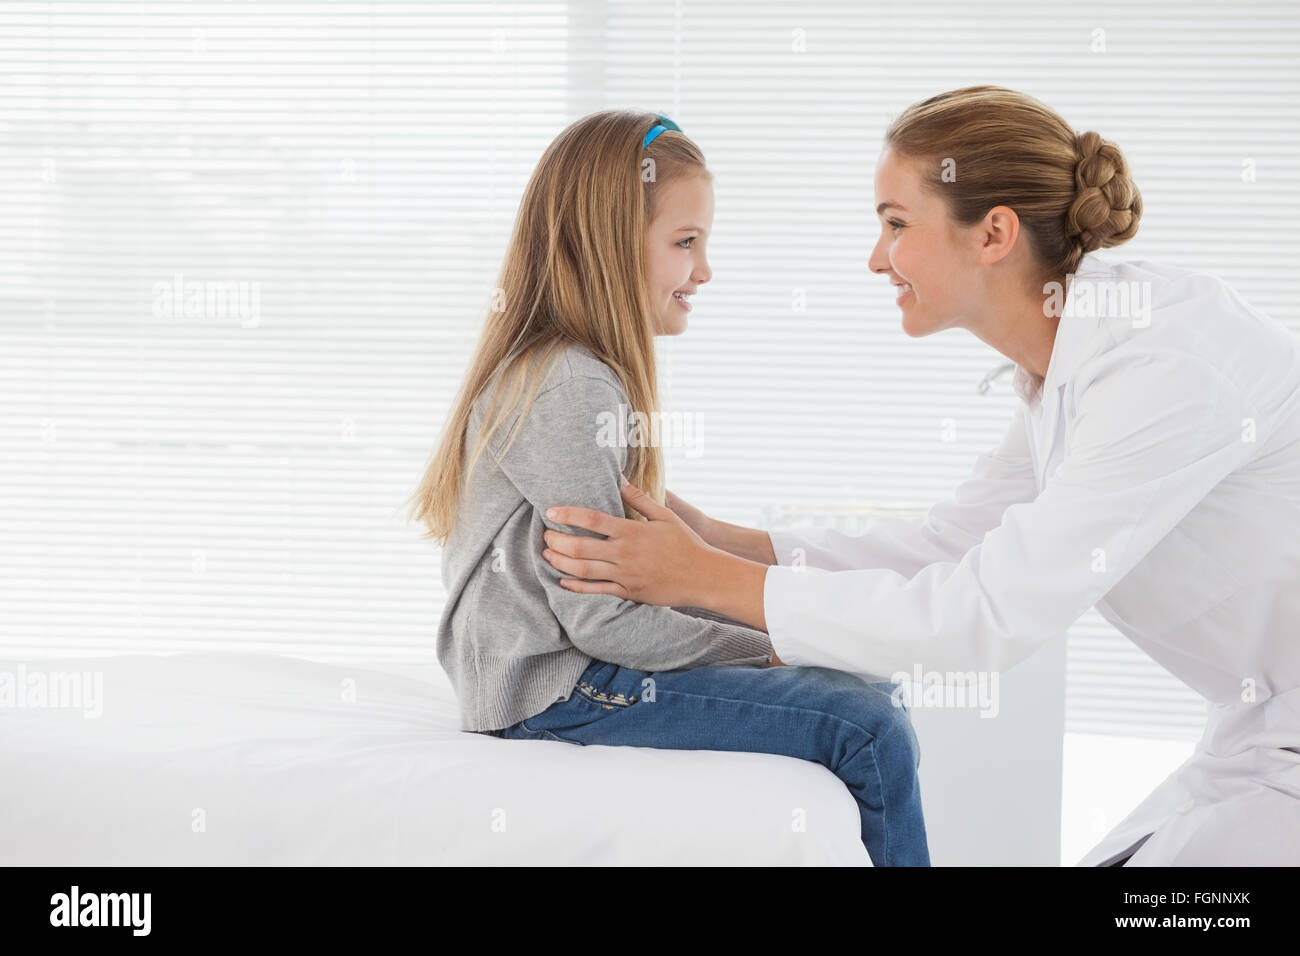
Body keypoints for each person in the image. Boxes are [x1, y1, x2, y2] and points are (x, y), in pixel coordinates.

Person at [540, 87, 1300, 867]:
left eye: (897, 224)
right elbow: (948, 546)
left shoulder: (1161, 366)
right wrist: (724, 542)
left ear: (994, 233)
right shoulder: (1069, 371)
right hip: (1262, 741)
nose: (877, 257)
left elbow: (983, 617)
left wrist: (705, 580)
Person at [405, 109, 930, 866]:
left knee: (875, 694)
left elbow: (630, 587)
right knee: (867, 726)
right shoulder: (569, 387)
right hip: (552, 690)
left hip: (569, 668)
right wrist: (770, 646)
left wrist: (771, 635)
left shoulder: (576, 374)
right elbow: (602, 624)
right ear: (611, 246)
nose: (705, 271)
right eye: (686, 244)